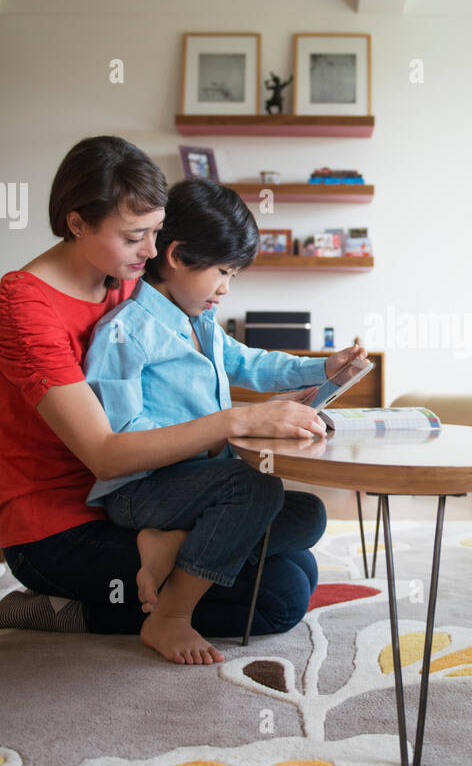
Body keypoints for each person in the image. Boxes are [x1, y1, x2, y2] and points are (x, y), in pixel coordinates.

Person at [0, 136, 329, 661]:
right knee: (281, 594)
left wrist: (317, 371)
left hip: (158, 498)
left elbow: (231, 352)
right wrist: (236, 420)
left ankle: (166, 548)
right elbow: (105, 452)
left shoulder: (124, 278)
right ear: (77, 224)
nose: (149, 251)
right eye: (134, 236)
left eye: (154, 233)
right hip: (60, 528)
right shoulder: (24, 306)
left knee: (300, 546)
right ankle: (69, 609)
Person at [81, 177, 368, 664]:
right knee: (257, 488)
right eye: (222, 272)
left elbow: (254, 365)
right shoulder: (126, 333)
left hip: (194, 488)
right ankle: (169, 616)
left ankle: (173, 544)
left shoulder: (201, 324)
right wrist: (226, 432)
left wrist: (323, 367)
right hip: (142, 489)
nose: (225, 289)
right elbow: (122, 441)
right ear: (176, 255)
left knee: (308, 516)